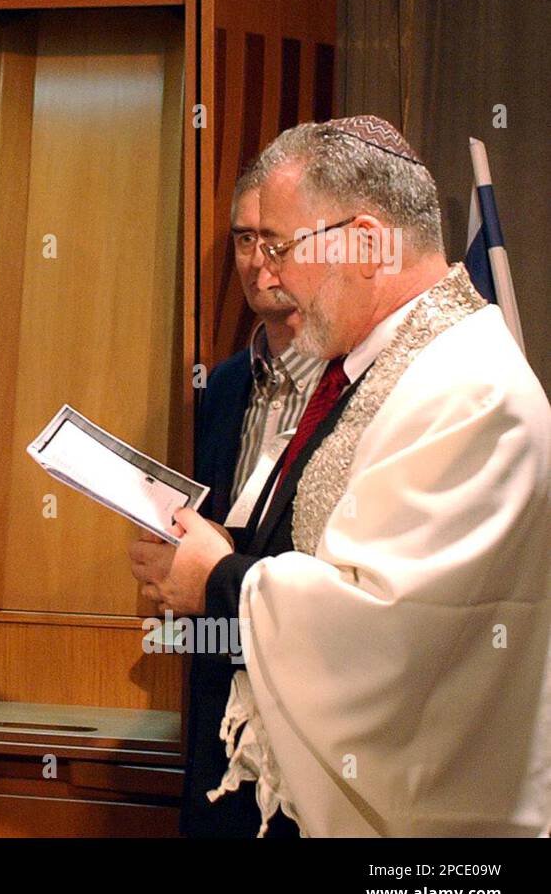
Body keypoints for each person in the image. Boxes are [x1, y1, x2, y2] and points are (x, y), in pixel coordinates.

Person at [132, 115, 551, 836]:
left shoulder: (468, 390)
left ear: (364, 242)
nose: (270, 275)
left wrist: (218, 580)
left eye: (286, 246)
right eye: (254, 244)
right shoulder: (380, 367)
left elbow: (385, 635)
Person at [140, 162, 326, 837]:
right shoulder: (220, 386)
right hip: (215, 678)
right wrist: (178, 559)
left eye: (275, 242)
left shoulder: (350, 385)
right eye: (244, 241)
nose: (256, 262)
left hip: (310, 699)